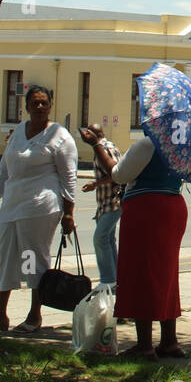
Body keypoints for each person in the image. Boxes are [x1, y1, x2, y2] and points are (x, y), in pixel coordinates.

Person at [0, 86, 78, 333]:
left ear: (50, 106)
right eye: (34, 103)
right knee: (5, 257)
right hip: (11, 205)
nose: (39, 107)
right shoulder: (18, 133)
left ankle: (34, 316)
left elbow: (69, 178)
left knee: (32, 260)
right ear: (26, 106)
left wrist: (69, 213)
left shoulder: (59, 136)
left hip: (39, 207)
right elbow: (5, 167)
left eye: (43, 103)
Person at [112, 132, 189, 359]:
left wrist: (98, 145)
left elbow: (120, 174)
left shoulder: (147, 144)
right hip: (173, 206)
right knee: (166, 275)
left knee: (140, 273)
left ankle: (144, 345)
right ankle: (169, 341)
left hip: (147, 208)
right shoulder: (183, 146)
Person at [79, 124, 123, 289]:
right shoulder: (106, 146)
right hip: (106, 202)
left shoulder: (104, 147)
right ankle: (116, 279)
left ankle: (108, 280)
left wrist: (95, 184)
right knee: (108, 239)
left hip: (113, 201)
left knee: (100, 238)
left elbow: (117, 174)